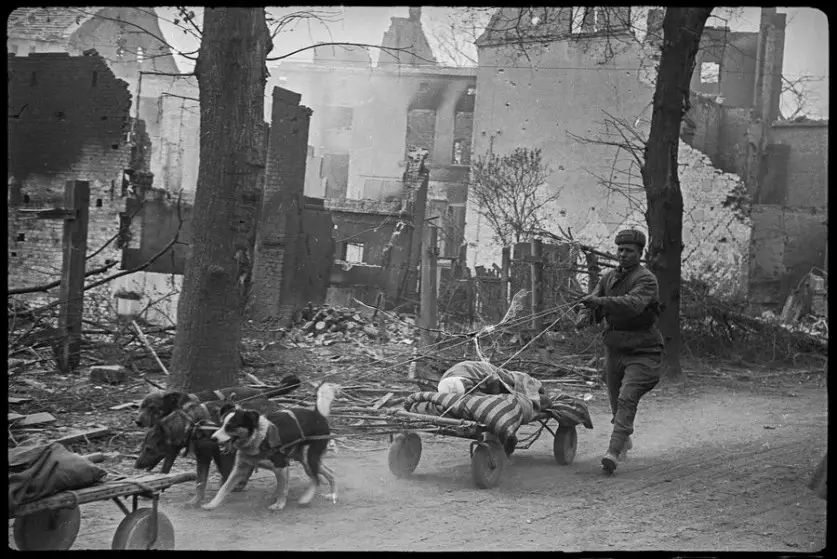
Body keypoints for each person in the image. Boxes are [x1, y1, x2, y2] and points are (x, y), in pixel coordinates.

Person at [575, 229, 664, 474]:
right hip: (615, 347)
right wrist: (584, 316)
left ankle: (612, 452)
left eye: (629, 251)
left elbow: (633, 305)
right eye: (620, 250)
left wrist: (599, 303)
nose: (623, 255)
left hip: (643, 350)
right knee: (616, 402)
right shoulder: (608, 278)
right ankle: (623, 437)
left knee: (626, 397)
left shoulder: (646, 279)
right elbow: (593, 301)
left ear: (639, 254)